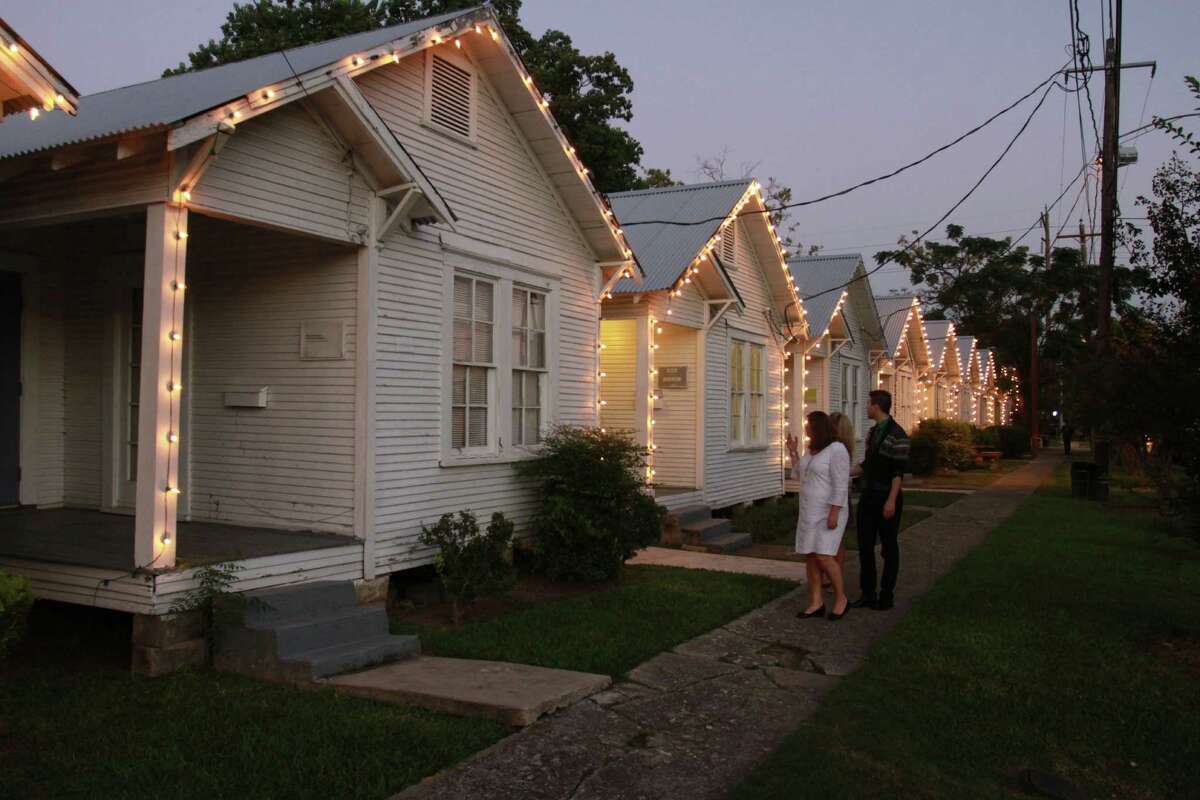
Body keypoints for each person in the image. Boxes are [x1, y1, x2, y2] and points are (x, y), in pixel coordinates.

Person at [786, 411, 851, 621]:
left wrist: (834, 512)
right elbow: (799, 474)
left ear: (818, 426)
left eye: (808, 424)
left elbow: (841, 484)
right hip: (809, 510)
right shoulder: (811, 450)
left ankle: (841, 598)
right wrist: (793, 453)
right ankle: (816, 602)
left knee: (824, 555)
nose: (805, 427)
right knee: (811, 556)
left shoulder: (837, 450)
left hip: (828, 511)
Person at [853, 390, 909, 611]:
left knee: (888, 547)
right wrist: (841, 472)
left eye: (868, 404)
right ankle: (868, 593)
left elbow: (898, 472)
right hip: (868, 497)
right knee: (865, 547)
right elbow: (867, 464)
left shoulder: (898, 435)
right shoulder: (872, 433)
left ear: (876, 407)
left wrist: (891, 501)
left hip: (887, 496)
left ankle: (886, 595)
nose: (866, 407)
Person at [823, 411, 856, 585]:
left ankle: (835, 576)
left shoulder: (839, 449)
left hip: (838, 496)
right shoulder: (831, 447)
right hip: (829, 495)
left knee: (837, 539)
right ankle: (831, 575)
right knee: (832, 540)